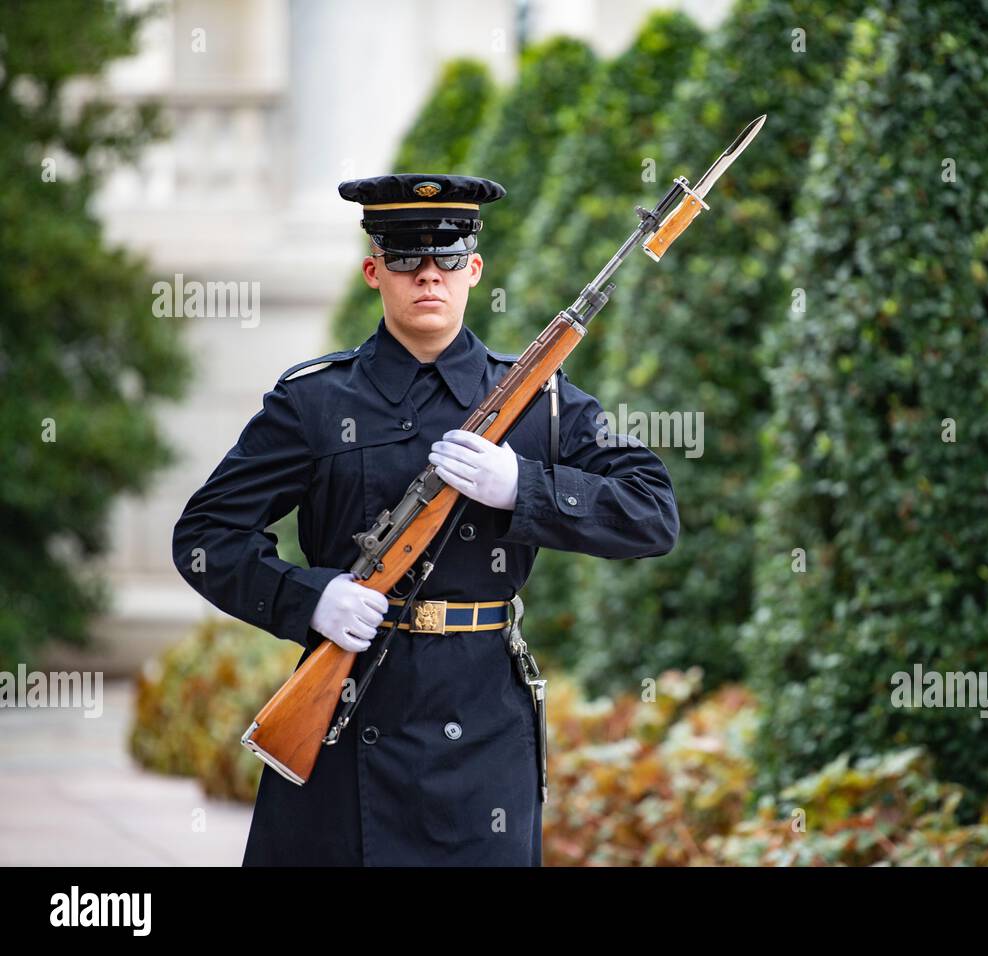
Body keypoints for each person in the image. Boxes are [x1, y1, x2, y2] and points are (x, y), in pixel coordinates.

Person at [171, 173, 680, 865]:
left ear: (475, 268)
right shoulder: (314, 400)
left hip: (483, 732)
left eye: (448, 255)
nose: (428, 276)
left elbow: (653, 511)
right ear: (373, 270)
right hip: (352, 710)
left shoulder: (540, 402)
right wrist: (310, 599)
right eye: (407, 258)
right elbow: (205, 538)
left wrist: (523, 487)